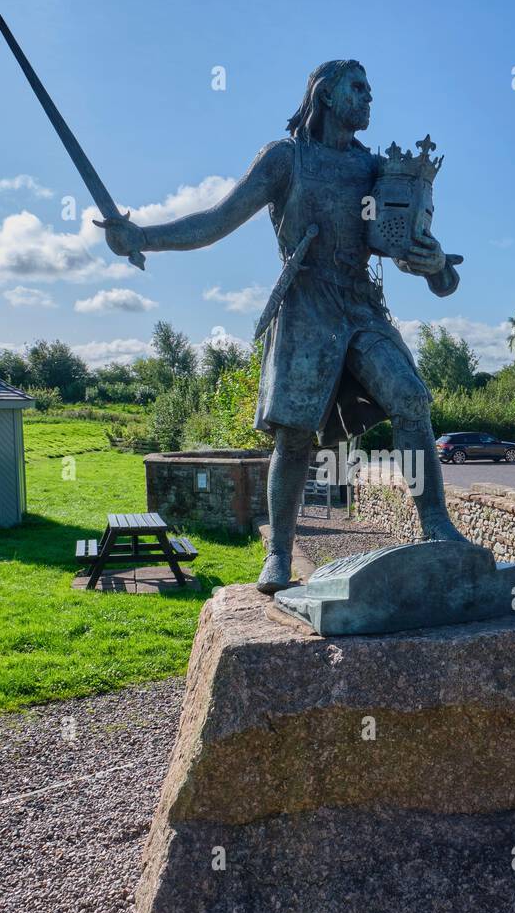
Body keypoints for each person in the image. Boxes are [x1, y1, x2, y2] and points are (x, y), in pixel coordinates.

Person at [98, 59, 466, 593]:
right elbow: (215, 221)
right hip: (306, 307)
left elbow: (425, 262)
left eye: (370, 90)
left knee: (411, 399)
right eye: (358, 88)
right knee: (294, 438)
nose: (369, 98)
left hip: (360, 306)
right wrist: (142, 236)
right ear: (326, 95)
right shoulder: (285, 159)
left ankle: (435, 524)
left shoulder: (378, 171)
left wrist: (438, 267)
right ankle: (278, 554)